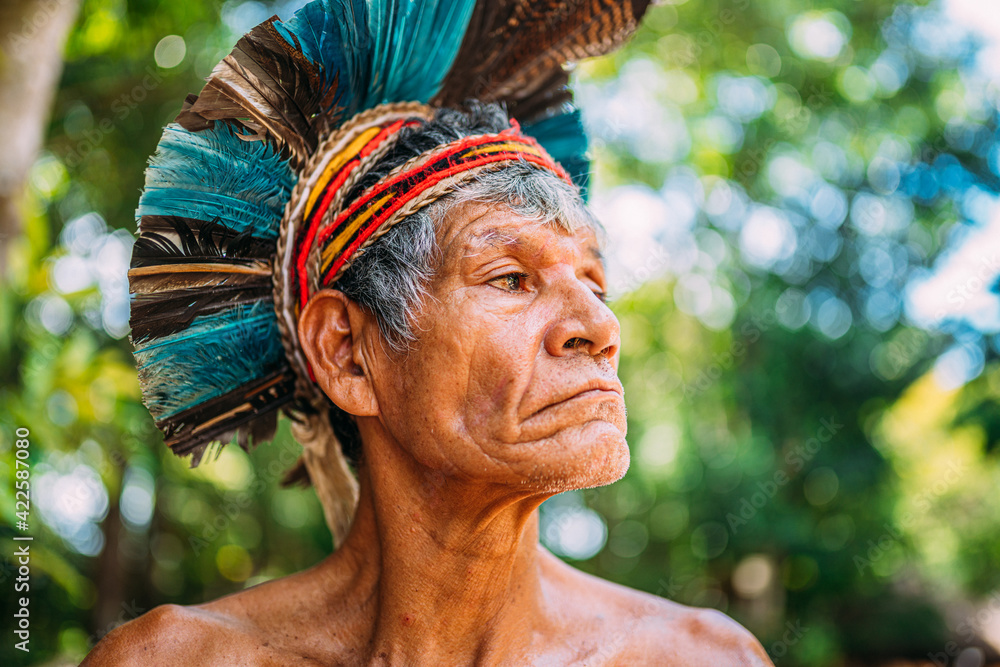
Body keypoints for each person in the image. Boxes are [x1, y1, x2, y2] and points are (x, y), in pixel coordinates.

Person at [83, 2, 774, 664]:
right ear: (348, 352)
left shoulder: (705, 657)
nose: (599, 326)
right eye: (511, 278)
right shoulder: (172, 660)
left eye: (593, 281)